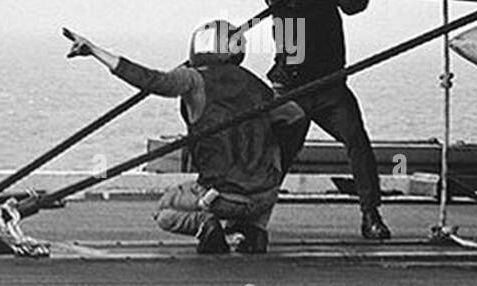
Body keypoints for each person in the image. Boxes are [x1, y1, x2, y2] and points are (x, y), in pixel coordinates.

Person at [63, 21, 305, 254]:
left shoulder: (194, 79)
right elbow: (296, 117)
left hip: (221, 196)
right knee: (250, 193)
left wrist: (94, 51)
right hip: (264, 196)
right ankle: (255, 231)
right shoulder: (258, 86)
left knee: (165, 210)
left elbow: (152, 80)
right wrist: (276, 165)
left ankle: (205, 225)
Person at [264, 0, 390, 240]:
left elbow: (353, 3)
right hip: (290, 87)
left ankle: (370, 213)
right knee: (278, 155)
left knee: (357, 141)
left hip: (329, 86)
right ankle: (253, 213)